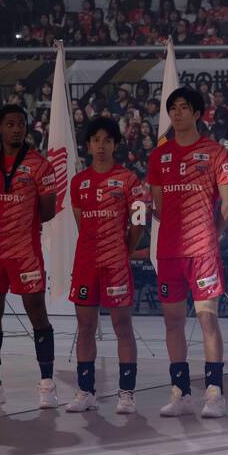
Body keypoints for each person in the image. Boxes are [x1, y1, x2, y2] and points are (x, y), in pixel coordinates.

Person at [147, 87, 228, 418]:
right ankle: (181, 392)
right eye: (173, 108)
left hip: (202, 253)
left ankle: (214, 393)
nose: (178, 113)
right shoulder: (158, 156)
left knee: (207, 319)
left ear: (198, 113)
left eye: (185, 107)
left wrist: (210, 236)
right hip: (169, 251)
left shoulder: (215, 153)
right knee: (173, 322)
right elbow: (158, 206)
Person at [0, 105, 59, 407]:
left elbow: (46, 212)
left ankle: (47, 383)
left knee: (38, 316)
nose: (16, 129)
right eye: (10, 124)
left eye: (21, 124)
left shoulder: (40, 165)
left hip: (25, 253)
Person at [65, 117, 147, 414]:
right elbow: (81, 222)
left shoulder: (129, 180)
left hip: (116, 264)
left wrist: (125, 248)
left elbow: (139, 220)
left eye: (107, 140)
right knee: (85, 326)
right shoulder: (78, 182)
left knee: (122, 326)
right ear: (88, 145)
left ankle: (126, 394)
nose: (101, 146)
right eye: (96, 140)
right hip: (86, 262)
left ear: (115, 144)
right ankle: (85, 391)